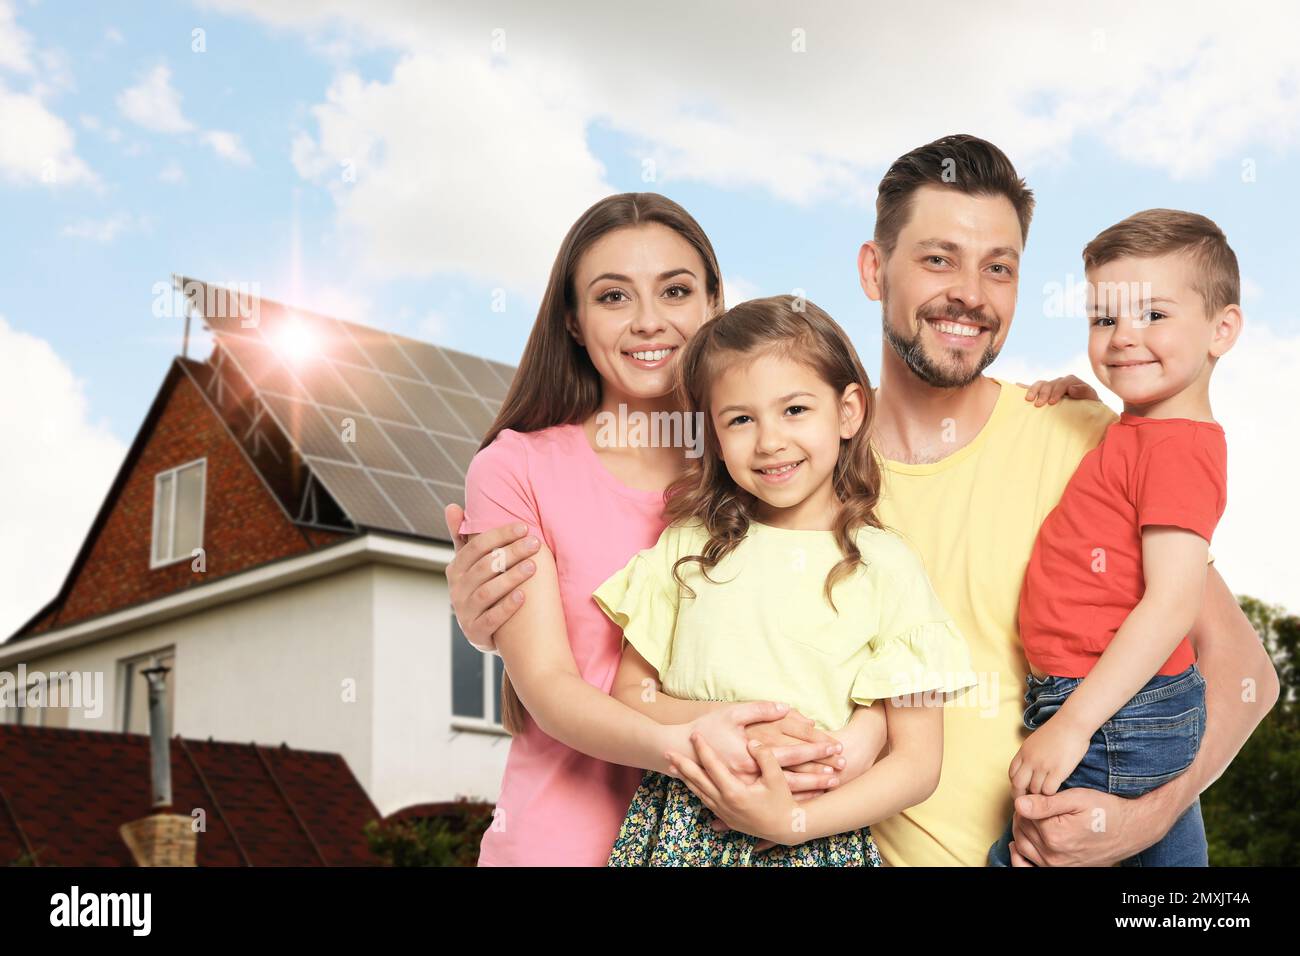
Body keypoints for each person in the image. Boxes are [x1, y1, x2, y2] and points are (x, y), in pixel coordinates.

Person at [450, 135, 1278, 867]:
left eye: (1000, 267)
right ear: (873, 270)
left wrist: (1146, 818)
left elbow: (1244, 675)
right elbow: (636, 619)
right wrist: (486, 615)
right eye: (937, 258)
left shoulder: (1079, 436)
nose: (970, 293)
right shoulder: (785, 468)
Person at [455, 193, 880, 866]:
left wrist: (857, 737)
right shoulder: (516, 467)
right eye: (613, 297)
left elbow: (865, 639)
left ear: (714, 303)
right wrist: (692, 746)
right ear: (572, 320)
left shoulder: (769, 459)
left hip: (741, 845)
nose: (648, 322)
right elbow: (550, 688)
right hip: (561, 845)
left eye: (675, 291)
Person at [596, 295, 976, 865]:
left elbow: (917, 765)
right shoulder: (688, 547)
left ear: (848, 411)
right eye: (741, 419)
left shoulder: (887, 566)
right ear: (714, 437)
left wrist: (798, 822)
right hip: (681, 827)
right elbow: (631, 695)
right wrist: (725, 727)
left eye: (795, 410)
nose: (770, 440)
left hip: (815, 837)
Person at [987, 209, 1241, 866]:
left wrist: (1073, 725)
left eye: (1152, 315)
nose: (1124, 338)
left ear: (1223, 329)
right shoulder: (1143, 429)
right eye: (1105, 319)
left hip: (1109, 709)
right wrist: (1087, 398)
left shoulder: (1178, 451)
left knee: (1033, 850)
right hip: (1112, 703)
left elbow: (1172, 602)